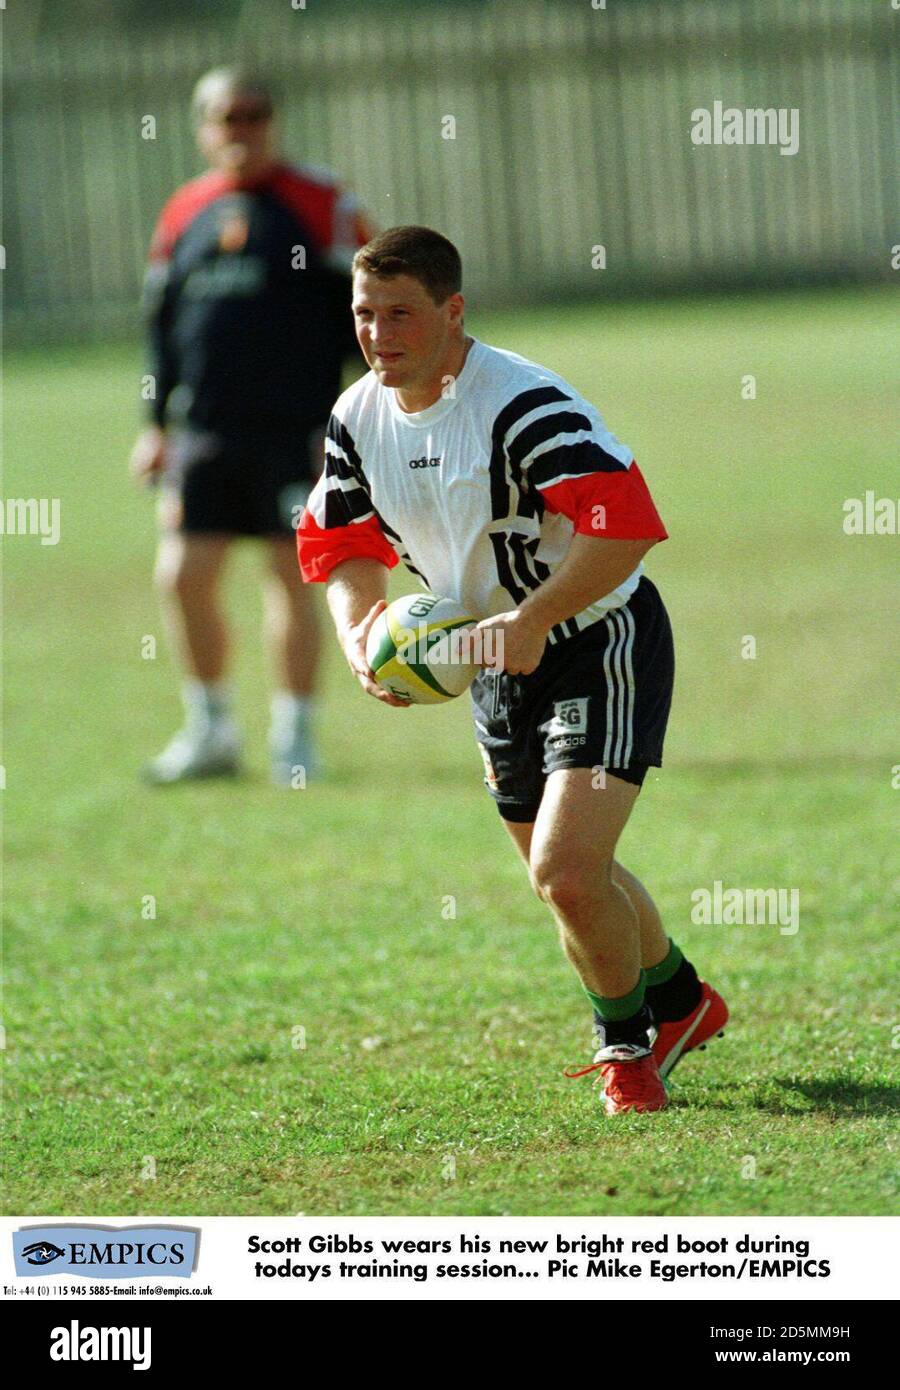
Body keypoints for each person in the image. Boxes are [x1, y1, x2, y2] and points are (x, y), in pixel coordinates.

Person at [296, 225, 728, 1114]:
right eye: (364, 315)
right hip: (485, 661)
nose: (379, 335)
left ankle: (627, 1049)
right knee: (570, 876)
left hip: (595, 637)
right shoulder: (356, 418)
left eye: (402, 313)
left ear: (453, 312)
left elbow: (627, 524)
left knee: (567, 872)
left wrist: (535, 618)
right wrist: (360, 638)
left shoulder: (521, 404)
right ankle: (685, 1001)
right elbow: (338, 542)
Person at [130, 67, 373, 785]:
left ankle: (294, 740)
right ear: (204, 128)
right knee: (182, 574)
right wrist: (154, 424)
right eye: (226, 117)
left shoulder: (321, 202)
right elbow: (162, 328)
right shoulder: (185, 212)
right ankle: (210, 731)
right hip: (204, 433)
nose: (241, 129)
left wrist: (367, 417)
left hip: (296, 433)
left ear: (273, 121)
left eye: (255, 114)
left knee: (288, 575)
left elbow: (371, 309)